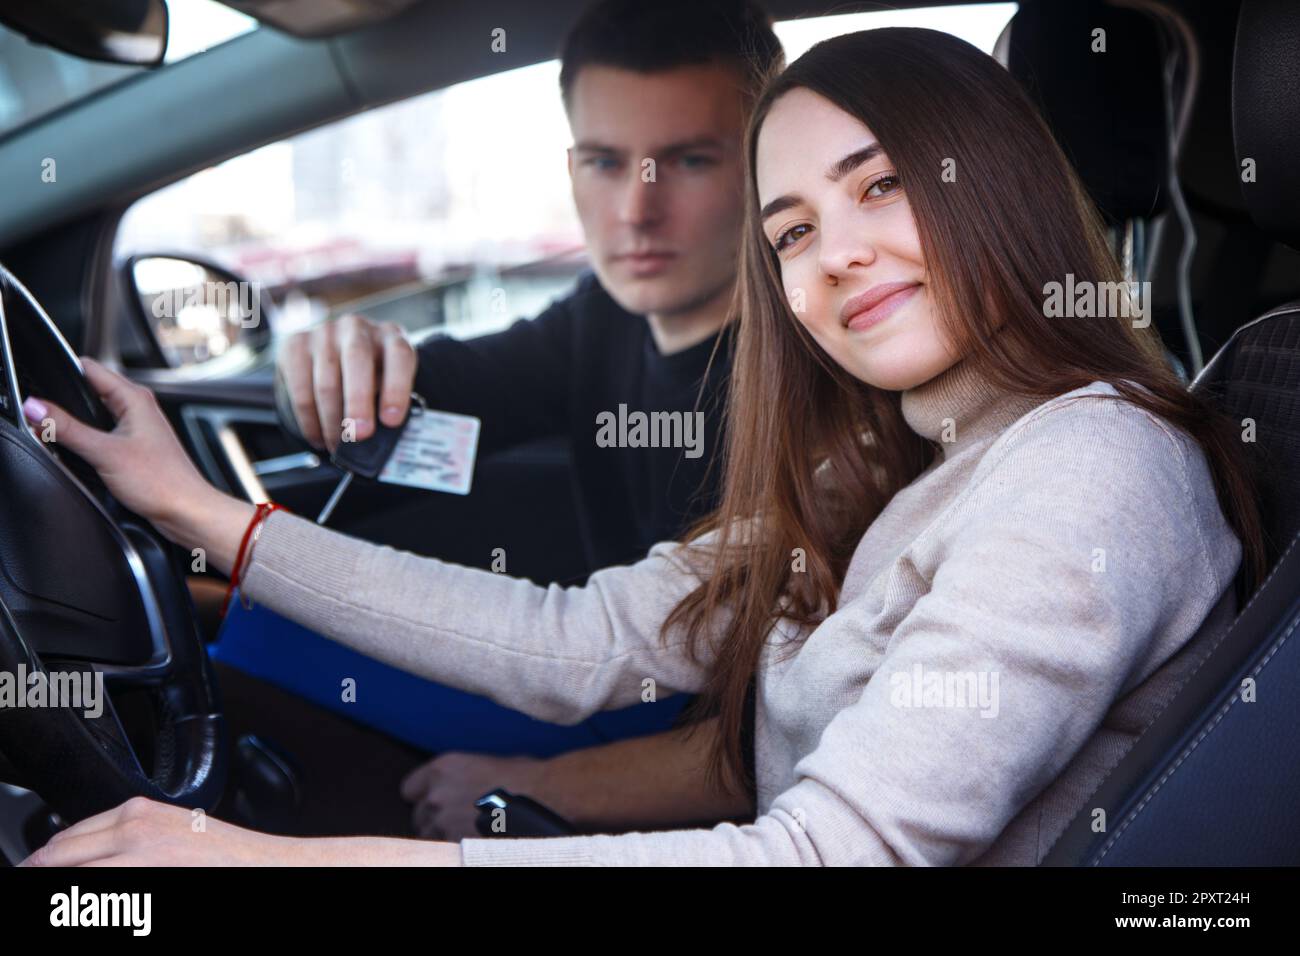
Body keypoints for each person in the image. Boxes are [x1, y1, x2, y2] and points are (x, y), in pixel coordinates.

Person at [20, 26, 1265, 866]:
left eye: (881, 186)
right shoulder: (890, 459)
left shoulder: (1088, 470)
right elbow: (589, 640)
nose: (834, 252)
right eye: (791, 230)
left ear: (992, 182)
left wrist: (276, 864)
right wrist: (202, 514)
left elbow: (818, 855)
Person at [271, 0, 784, 838]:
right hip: (599, 690)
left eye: (688, 161)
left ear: (767, 166)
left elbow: (785, 733)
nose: (635, 214)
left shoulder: (815, 376)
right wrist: (322, 372)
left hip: (697, 783)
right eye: (605, 162)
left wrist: (547, 785)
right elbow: (424, 387)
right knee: (245, 630)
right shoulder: (599, 318)